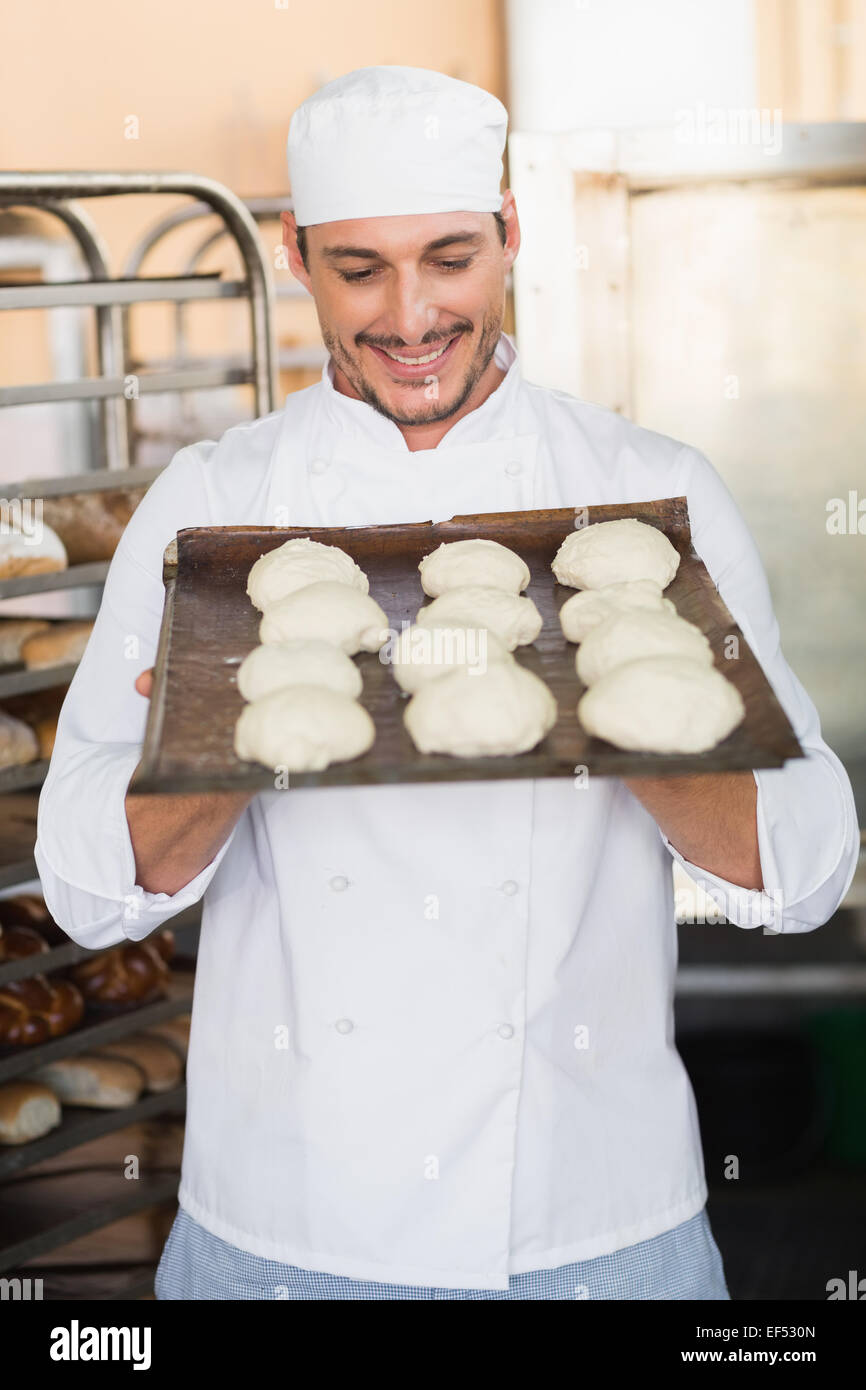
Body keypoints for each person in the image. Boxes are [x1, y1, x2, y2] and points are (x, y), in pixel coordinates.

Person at [36, 66, 858, 1301]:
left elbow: (805, 873)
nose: (410, 314)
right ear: (296, 255)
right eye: (359, 268)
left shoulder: (650, 491)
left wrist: (620, 703)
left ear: (511, 235)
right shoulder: (214, 508)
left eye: (450, 258)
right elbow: (90, 894)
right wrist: (216, 727)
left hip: (596, 1215)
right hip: (288, 1220)